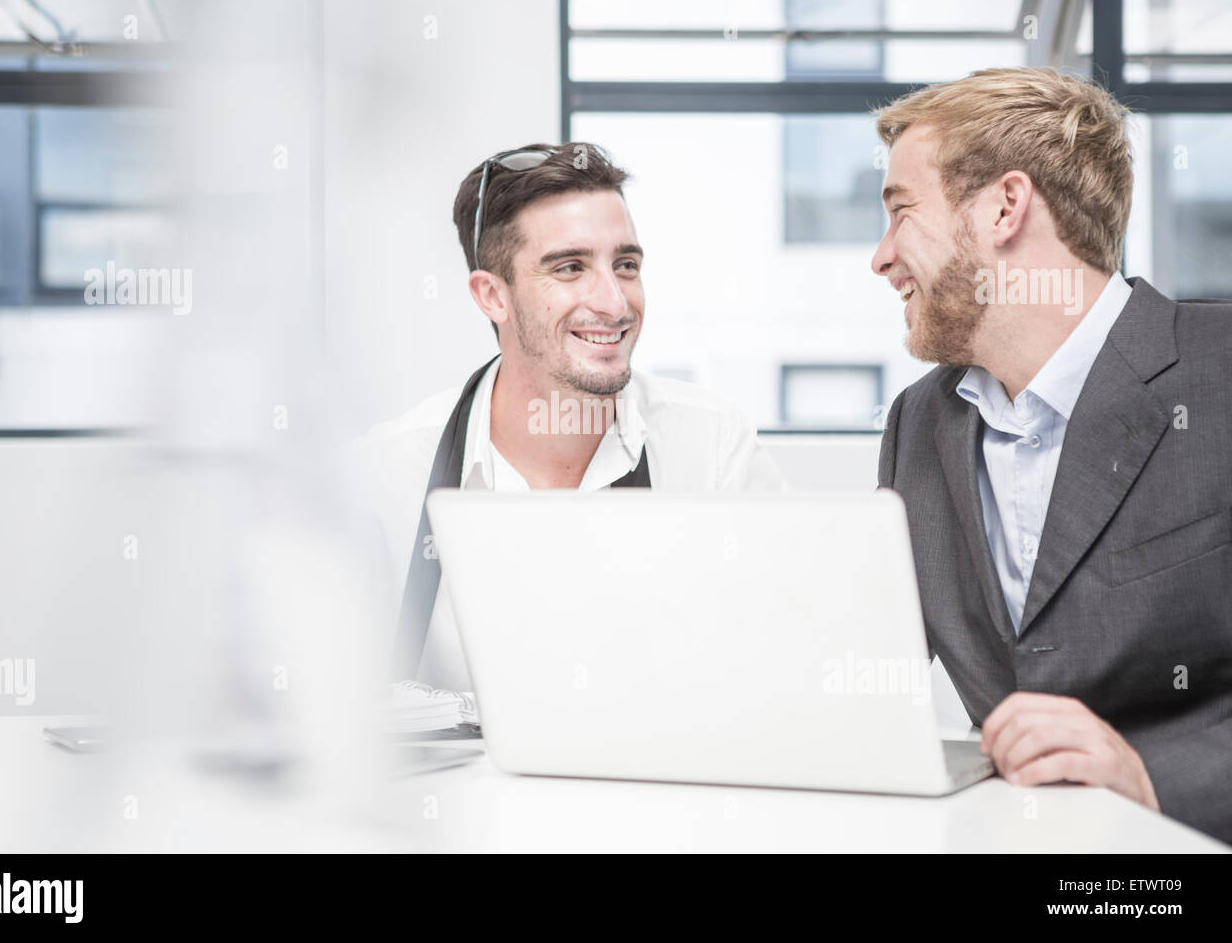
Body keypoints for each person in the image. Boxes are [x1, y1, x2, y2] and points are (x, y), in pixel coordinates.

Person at [871, 67, 1232, 843]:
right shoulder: (918, 425)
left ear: (1005, 206)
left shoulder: (1220, 375)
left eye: (901, 213)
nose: (881, 257)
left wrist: (1150, 775)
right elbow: (870, 671)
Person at [358, 141, 785, 692]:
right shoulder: (381, 475)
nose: (614, 302)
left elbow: (780, 675)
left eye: (625, 265)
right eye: (570, 268)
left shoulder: (715, 451)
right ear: (492, 296)